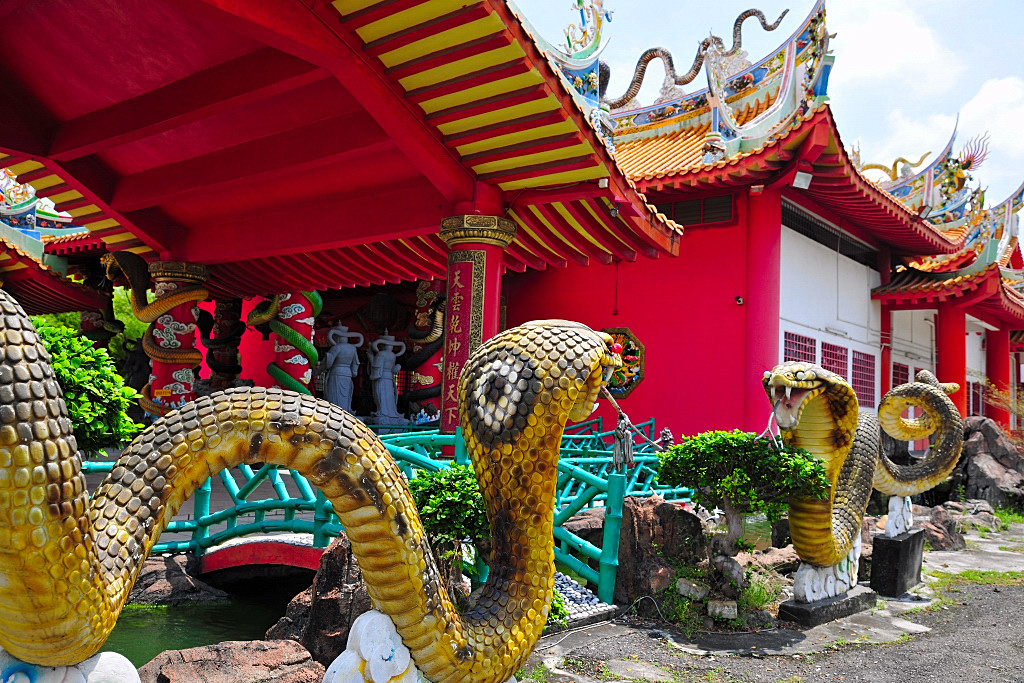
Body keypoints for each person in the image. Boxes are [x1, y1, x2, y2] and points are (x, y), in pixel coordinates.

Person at [318, 325, 363, 413]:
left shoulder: (336, 347)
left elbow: (328, 362)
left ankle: (336, 414)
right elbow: (355, 364)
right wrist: (353, 372)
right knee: (345, 398)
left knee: (334, 397)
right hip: (347, 374)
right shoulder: (352, 348)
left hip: (336, 373)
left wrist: (318, 370)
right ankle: (345, 413)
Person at [368, 332, 406, 421]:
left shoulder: (381, 354)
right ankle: (390, 412)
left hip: (381, 378)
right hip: (389, 378)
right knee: (389, 397)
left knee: (381, 395)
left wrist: (370, 357)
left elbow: (376, 366)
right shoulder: (393, 355)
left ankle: (382, 412)